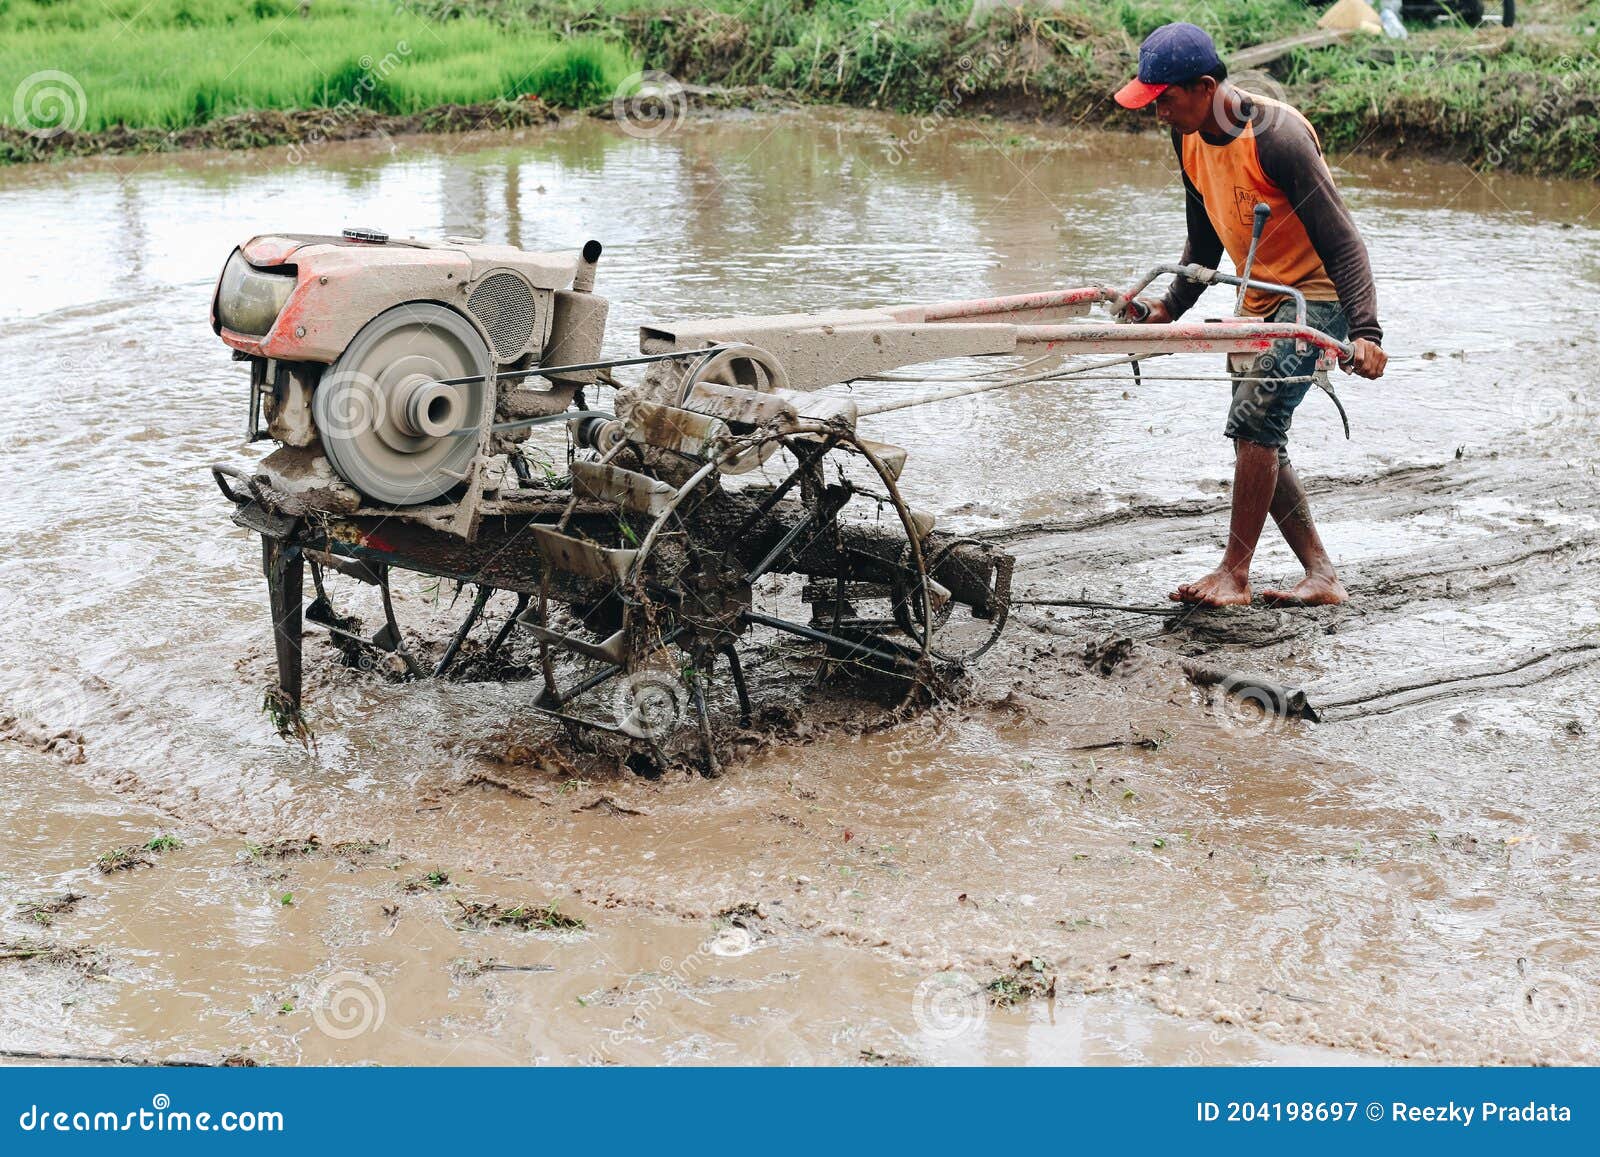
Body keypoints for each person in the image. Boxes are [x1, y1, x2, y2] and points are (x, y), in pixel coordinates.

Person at [1114, 22, 1387, 607]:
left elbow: (1344, 243)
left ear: (1205, 86)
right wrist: (1168, 305)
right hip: (1262, 296)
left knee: (1255, 425)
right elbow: (1204, 243)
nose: (1156, 111)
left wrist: (1365, 331)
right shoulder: (1186, 135)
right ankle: (1322, 576)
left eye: (1163, 99)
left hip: (1317, 298)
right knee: (1259, 435)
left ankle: (1233, 575)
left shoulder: (1278, 138)